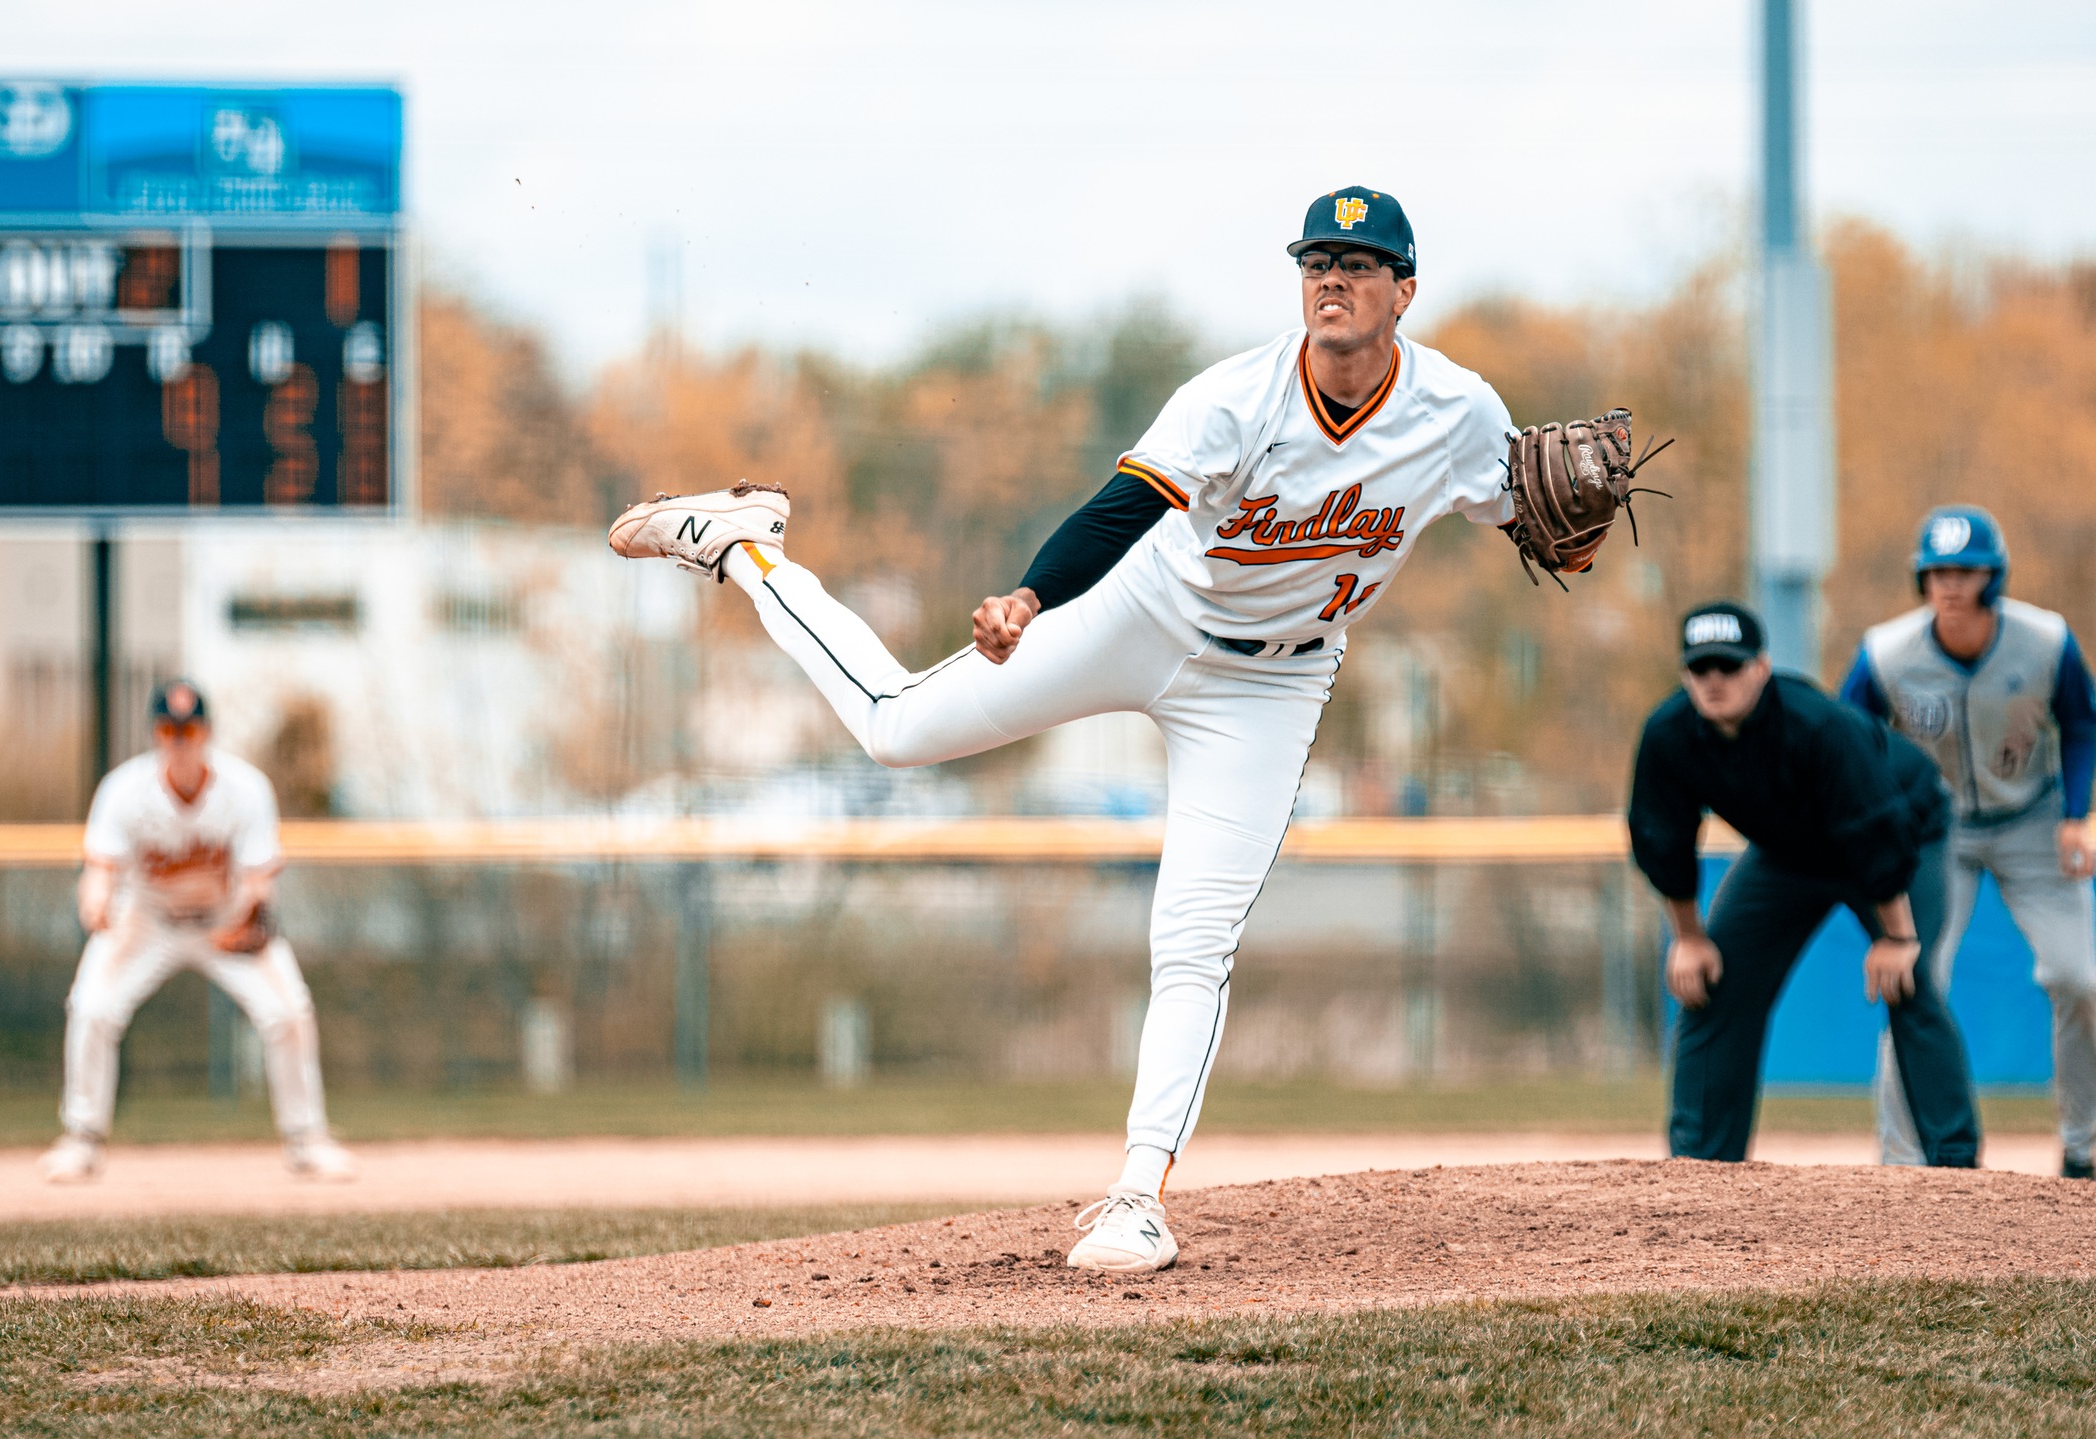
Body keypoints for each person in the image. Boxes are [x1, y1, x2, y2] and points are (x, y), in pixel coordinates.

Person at [609, 186, 1540, 1272]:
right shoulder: (1235, 396)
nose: (1331, 279)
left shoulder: (1460, 408)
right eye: (1314, 260)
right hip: (1138, 610)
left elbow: (1518, 506)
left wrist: (1564, 535)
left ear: (1404, 291)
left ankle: (1136, 1195)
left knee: (1193, 939)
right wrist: (1028, 598)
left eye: (1358, 263)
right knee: (896, 733)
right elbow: (1120, 509)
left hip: (1271, 689)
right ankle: (746, 545)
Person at [1628, 601, 1981, 1168]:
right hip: (1789, 854)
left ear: (1761, 668)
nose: (1715, 681)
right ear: (1684, 675)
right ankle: (1699, 1169)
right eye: (1701, 669)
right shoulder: (1670, 735)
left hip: (1901, 832)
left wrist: (1894, 939)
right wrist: (1689, 937)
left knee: (1908, 980)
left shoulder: (1816, 723)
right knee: (1713, 979)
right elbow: (1660, 837)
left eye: (1729, 666)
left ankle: (1956, 1166)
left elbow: (1875, 829)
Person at [1841, 505, 2096, 1179]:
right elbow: (1842, 739)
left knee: (2077, 979)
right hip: (1937, 831)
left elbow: (2082, 720)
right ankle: (1900, 1161)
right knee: (1915, 979)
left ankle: (2081, 1149)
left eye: (1966, 571)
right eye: (1937, 571)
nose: (1951, 585)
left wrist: (2076, 813)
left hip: (2032, 820)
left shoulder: (2045, 640)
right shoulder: (1887, 652)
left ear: (1994, 577)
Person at [39, 681, 353, 1183]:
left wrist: (248, 916)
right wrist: (94, 900)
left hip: (223, 917)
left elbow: (257, 880)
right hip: (146, 920)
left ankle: (307, 1139)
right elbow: (99, 870)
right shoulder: (124, 789)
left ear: (206, 731)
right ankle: (82, 1139)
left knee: (289, 1011)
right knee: (92, 1007)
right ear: (155, 734)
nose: (180, 739)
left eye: (189, 728)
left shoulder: (245, 788)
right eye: (169, 728)